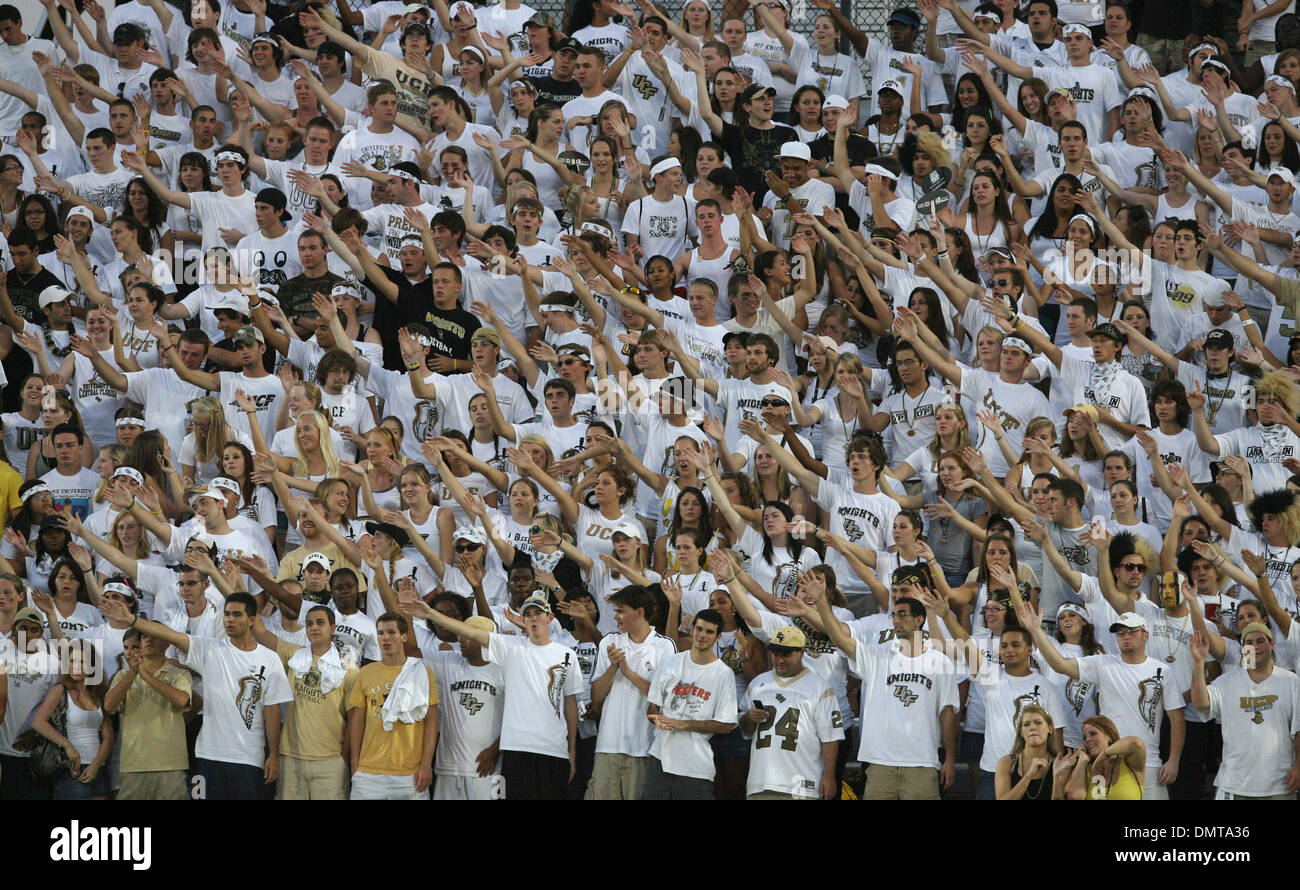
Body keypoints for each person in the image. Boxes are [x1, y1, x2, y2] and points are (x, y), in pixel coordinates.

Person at [100, 591, 293, 801]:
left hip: (249, 757)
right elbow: (169, 634)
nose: (229, 619)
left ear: (252, 620)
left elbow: (272, 709)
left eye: (237, 615)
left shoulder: (270, 659)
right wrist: (131, 620)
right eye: (227, 614)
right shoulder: (210, 649)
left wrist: (273, 754)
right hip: (208, 756)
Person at [408, 593, 583, 800]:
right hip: (516, 749)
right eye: (528, 614)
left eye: (538, 613)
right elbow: (468, 631)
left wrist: (572, 751)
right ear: (523, 620)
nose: (533, 618)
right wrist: (430, 613)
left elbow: (570, 703)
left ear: (550, 617)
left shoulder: (567, 655)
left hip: (555, 749)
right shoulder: (513, 647)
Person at [1017, 599, 1187, 800]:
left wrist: (1173, 760)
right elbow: (1060, 665)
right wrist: (1035, 631)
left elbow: (1177, 720)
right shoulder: (1103, 664)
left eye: (1132, 631)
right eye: (1121, 633)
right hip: (1105, 763)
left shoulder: (1163, 671)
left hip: (1149, 763)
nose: (1125, 637)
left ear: (1145, 635)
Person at [816, 584, 959, 799]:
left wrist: (949, 758)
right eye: (893, 615)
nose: (895, 620)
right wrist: (821, 601)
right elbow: (839, 639)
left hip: (922, 762)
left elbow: (947, 713)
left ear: (919, 620)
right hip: (880, 762)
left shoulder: (940, 662)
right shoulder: (878, 656)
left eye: (902, 615)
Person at [587, 584, 679, 800]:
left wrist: (627, 671)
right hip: (607, 744)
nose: (616, 617)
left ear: (639, 612)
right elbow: (596, 696)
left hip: (644, 747)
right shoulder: (609, 643)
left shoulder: (664, 646)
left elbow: (663, 697)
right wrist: (613, 667)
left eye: (621, 611)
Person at [1190, 624, 1300, 799]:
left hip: (1279, 785)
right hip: (1234, 784)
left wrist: (1298, 766)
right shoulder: (1227, 682)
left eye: (1260, 641)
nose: (1254, 647)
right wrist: (1198, 663)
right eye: (1248, 642)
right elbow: (1201, 703)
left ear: (1272, 644)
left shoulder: (1290, 681)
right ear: (1242, 648)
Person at [739, 624, 844, 800]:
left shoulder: (819, 687)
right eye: (776, 654)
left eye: (786, 654)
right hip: (761, 781)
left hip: (802, 783)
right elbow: (745, 730)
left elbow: (830, 737)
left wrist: (828, 775)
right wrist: (750, 717)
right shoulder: (758, 684)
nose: (779, 660)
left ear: (802, 652)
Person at [643, 607, 738, 800]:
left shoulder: (723, 674)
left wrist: (684, 724)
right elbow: (652, 707)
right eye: (699, 629)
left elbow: (726, 724)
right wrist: (656, 719)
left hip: (695, 766)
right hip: (660, 757)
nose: (702, 635)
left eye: (709, 631)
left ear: (718, 637)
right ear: (692, 629)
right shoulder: (671, 662)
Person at [104, 626, 193, 800]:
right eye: (145, 636)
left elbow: (183, 700)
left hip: (170, 765)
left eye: (156, 636)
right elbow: (108, 706)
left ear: (167, 642)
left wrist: (146, 676)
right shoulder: (123, 675)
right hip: (133, 765)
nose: (149, 639)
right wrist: (133, 674)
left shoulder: (179, 674)